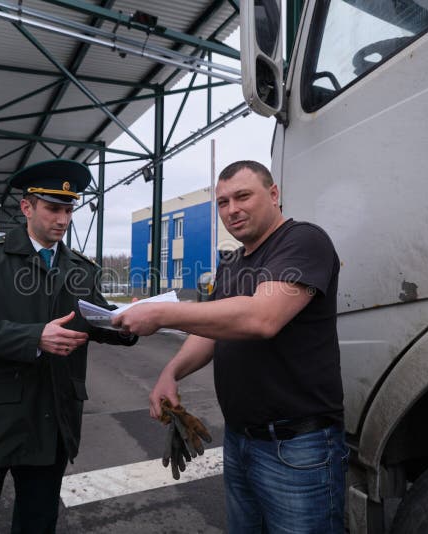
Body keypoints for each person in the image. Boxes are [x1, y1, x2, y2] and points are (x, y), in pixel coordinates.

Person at [113, 160, 347, 533]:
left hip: (297, 446)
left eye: (242, 196)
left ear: (273, 194)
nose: (232, 209)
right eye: (222, 202)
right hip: (240, 441)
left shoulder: (303, 241)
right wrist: (170, 373)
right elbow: (211, 331)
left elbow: (261, 318)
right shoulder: (233, 263)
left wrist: (162, 313)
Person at [0, 159, 137, 534]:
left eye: (68, 210)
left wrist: (129, 324)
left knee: (38, 522)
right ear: (27, 207)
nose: (62, 219)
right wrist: (34, 337)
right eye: (53, 208)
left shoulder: (81, 267)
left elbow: (94, 318)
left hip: (51, 416)